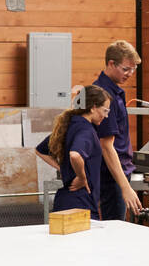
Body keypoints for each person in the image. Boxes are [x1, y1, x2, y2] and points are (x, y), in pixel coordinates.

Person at [34, 86, 110, 218]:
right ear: (93, 107)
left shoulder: (69, 125)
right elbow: (75, 155)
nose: (106, 115)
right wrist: (81, 177)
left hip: (64, 202)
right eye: (105, 110)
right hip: (80, 204)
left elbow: (40, 151)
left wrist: (62, 168)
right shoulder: (86, 130)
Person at [94, 40, 143, 222]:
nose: (130, 74)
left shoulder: (114, 92)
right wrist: (125, 187)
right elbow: (106, 146)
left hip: (119, 171)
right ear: (111, 63)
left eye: (133, 69)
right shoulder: (104, 95)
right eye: (125, 69)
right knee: (114, 229)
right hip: (111, 175)